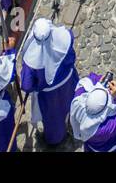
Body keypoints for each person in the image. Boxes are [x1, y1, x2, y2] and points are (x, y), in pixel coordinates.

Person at [19, 18, 77, 148]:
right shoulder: (64, 39)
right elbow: (72, 54)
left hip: (49, 96)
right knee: (72, 102)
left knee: (54, 118)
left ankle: (55, 140)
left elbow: (27, 85)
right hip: (69, 82)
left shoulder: (31, 62)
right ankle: (75, 123)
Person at [70, 73, 116, 152]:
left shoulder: (78, 103)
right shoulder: (103, 129)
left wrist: (101, 82)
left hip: (91, 147)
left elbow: (88, 79)